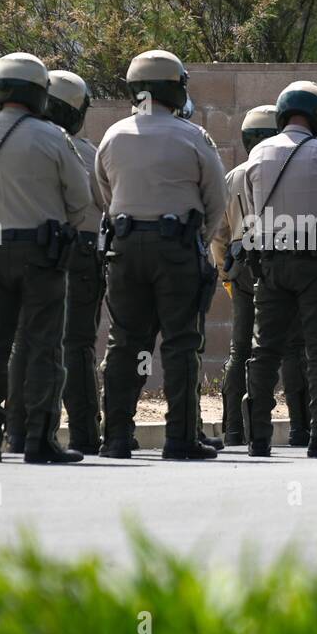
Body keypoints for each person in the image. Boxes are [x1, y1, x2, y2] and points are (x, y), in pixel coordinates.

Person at [95, 49, 226, 460]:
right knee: (181, 344)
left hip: (124, 248)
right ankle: (180, 438)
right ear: (176, 88)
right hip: (176, 249)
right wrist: (196, 240)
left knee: (126, 344)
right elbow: (215, 199)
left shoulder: (113, 135)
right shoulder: (193, 136)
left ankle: (116, 438)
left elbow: (104, 192)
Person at [0, 53, 92, 464]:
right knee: (43, 347)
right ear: (39, 93)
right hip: (41, 255)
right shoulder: (54, 137)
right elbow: (80, 200)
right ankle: (40, 439)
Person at [242, 81, 317, 458]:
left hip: (270, 262)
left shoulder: (259, 152)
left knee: (265, 351)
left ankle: (257, 438)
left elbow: (250, 208)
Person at [4, 70, 104, 456]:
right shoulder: (83, 150)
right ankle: (83, 432)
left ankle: (17, 430)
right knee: (77, 344)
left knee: (24, 343)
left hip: (26, 249)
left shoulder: (17, 143)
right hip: (78, 249)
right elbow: (98, 200)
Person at [211, 105, 310, 448]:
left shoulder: (233, 175)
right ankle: (301, 427)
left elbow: (220, 234)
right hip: (277, 256)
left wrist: (227, 273)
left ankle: (235, 428)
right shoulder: (294, 165)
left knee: (242, 349)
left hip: (241, 264)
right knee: (294, 347)